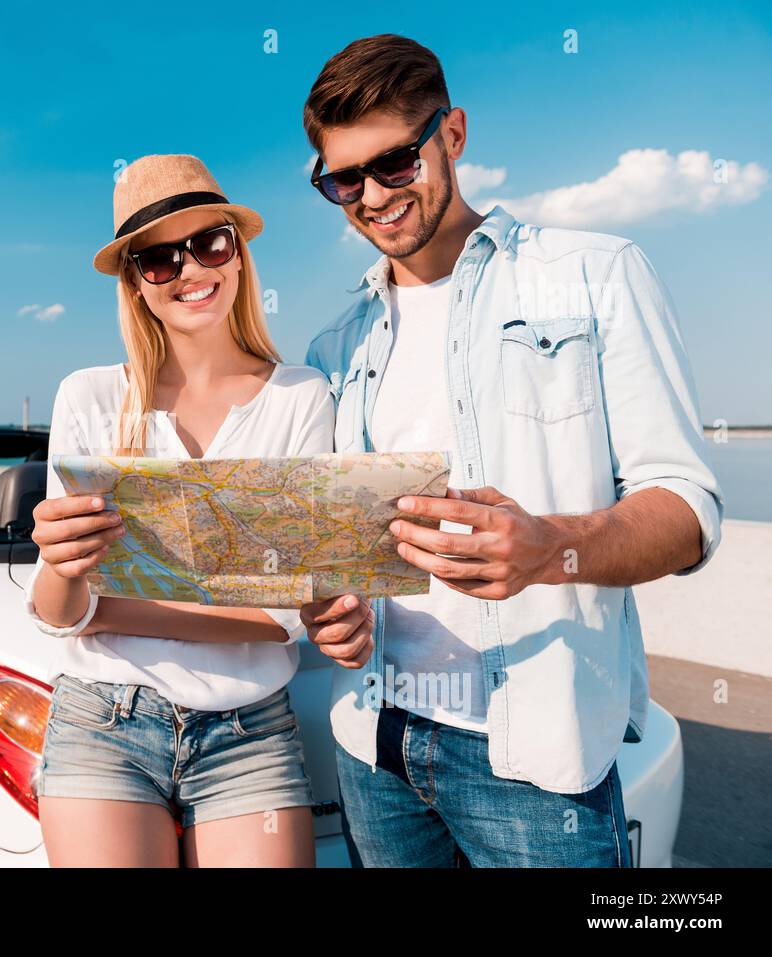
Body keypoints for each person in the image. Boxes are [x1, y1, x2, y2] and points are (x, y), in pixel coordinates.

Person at [298, 34, 723, 866]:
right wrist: (331, 612)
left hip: (532, 762)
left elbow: (688, 509)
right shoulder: (335, 347)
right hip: (373, 746)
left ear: (453, 134)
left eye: (395, 164)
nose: (373, 198)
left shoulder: (597, 276)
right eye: (344, 180)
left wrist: (552, 549)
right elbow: (334, 548)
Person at [25, 154, 364, 867]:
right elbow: (57, 609)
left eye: (209, 242)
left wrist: (109, 607)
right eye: (157, 259)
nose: (189, 269)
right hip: (104, 719)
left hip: (250, 735)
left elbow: (280, 618)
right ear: (135, 283)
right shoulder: (88, 397)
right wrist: (63, 568)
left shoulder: (302, 396)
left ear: (238, 255)